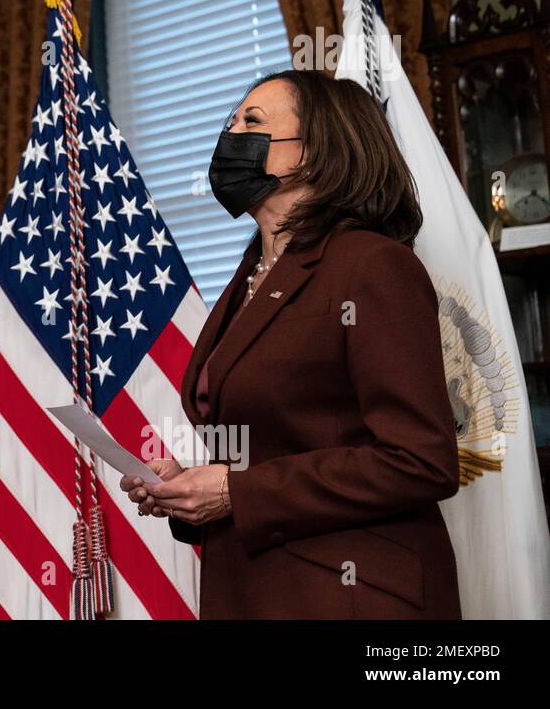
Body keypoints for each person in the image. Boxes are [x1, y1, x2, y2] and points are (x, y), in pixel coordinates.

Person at [120, 69, 462, 619]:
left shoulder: (372, 266)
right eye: (230, 122)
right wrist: (192, 493)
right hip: (252, 589)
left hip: (349, 597)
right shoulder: (251, 275)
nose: (229, 138)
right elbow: (271, 450)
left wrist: (238, 491)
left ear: (315, 152)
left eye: (251, 123)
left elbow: (421, 460)